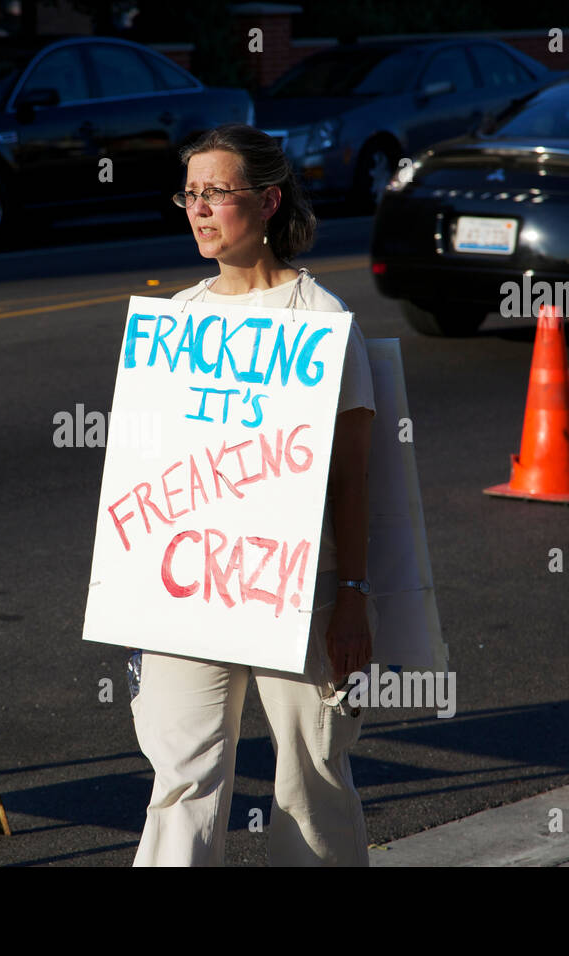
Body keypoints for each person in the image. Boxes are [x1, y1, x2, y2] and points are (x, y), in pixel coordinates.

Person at [130, 123, 377, 867]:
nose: (200, 209)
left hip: (297, 589)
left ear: (268, 202)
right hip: (189, 584)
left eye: (218, 192)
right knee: (182, 772)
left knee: (309, 777)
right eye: (190, 194)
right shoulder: (178, 319)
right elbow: (148, 463)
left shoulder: (320, 319)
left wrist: (353, 595)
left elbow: (353, 475)